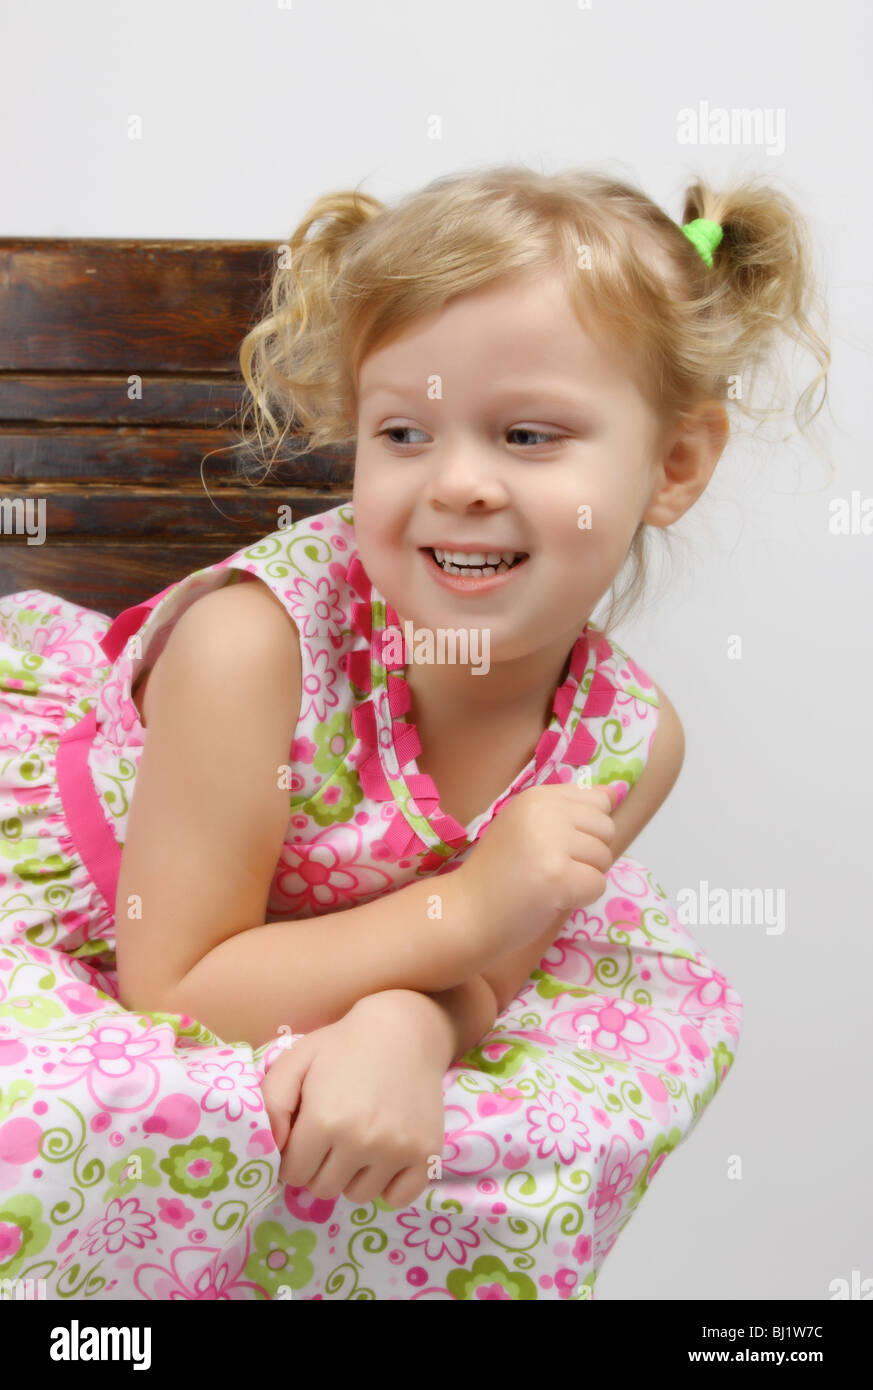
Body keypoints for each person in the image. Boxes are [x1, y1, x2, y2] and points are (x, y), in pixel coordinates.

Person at [0, 165, 829, 1301]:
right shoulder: (251, 651)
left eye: (529, 434)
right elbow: (178, 988)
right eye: (404, 430)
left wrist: (412, 1022)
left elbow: (482, 975)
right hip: (132, 929)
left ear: (674, 464)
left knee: (489, 1134)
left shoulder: (627, 740)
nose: (461, 483)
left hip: (326, 957)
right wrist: (475, 904)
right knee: (63, 1112)